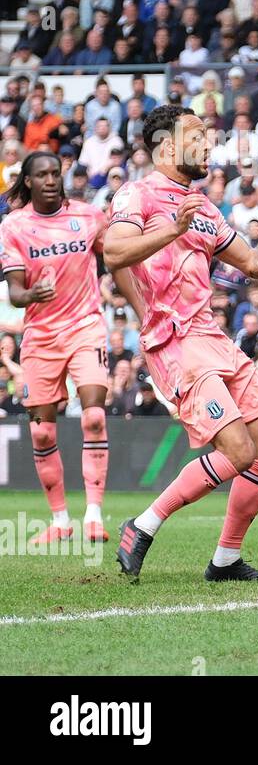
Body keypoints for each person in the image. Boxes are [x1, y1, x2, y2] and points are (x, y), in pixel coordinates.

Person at [108, 105, 258, 582]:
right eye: (196, 135)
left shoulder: (205, 208)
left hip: (212, 336)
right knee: (238, 451)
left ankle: (226, 561)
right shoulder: (139, 194)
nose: (208, 144)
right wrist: (171, 229)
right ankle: (143, 525)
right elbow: (114, 251)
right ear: (168, 146)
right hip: (174, 342)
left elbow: (252, 262)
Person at [0, 153, 142, 545]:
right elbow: (14, 293)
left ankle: (94, 514)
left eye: (54, 173)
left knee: (94, 416)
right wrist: (31, 293)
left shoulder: (88, 216)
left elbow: (116, 258)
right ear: (27, 181)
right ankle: (60, 520)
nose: (50, 180)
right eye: (41, 175)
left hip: (86, 328)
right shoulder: (14, 225)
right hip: (41, 338)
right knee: (43, 434)